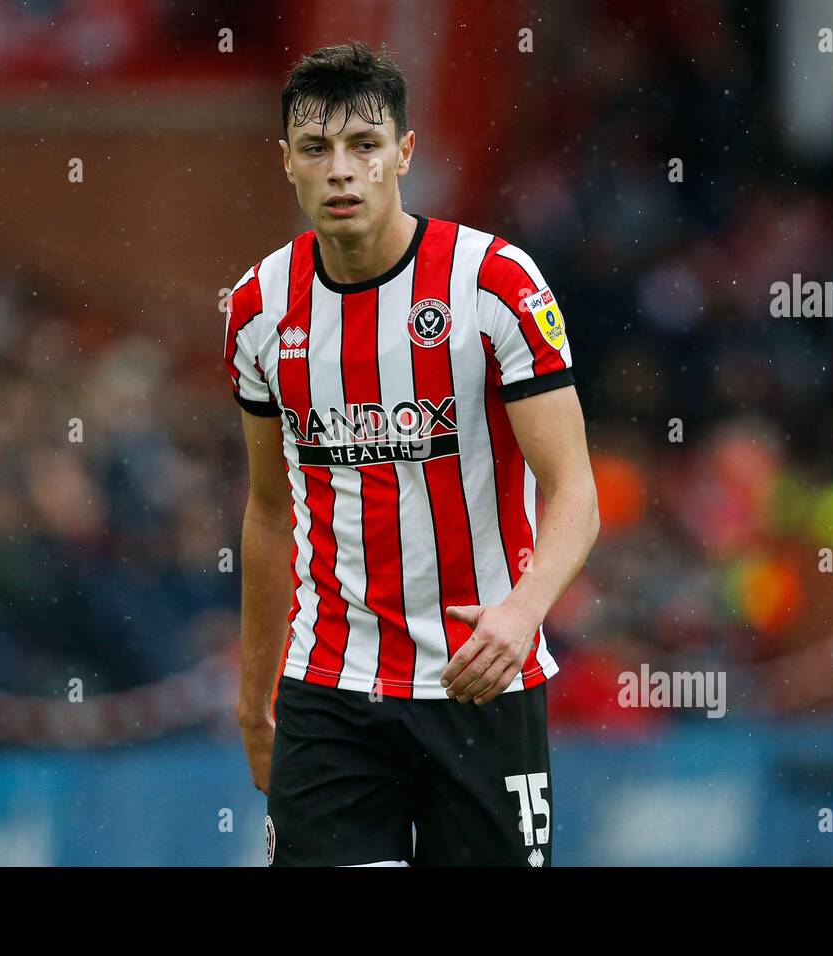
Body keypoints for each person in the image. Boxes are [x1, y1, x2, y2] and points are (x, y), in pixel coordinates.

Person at [224, 40, 599, 866]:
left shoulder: (495, 284)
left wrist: (522, 612)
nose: (342, 171)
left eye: (364, 146)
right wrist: (256, 700)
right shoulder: (258, 311)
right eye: (317, 150)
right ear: (287, 164)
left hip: (482, 680)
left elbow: (573, 488)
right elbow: (267, 511)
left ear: (404, 153)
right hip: (330, 691)